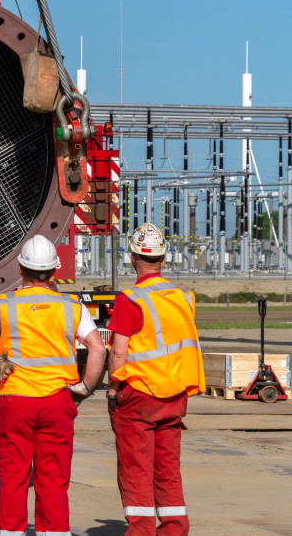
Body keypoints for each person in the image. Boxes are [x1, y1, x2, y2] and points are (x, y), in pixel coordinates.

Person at [0, 235, 106, 536]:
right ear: (54, 271)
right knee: (53, 475)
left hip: (15, 400)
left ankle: (11, 532)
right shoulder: (72, 306)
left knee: (13, 473)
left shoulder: (1, 304)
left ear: (19, 269)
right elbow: (98, 349)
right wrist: (85, 389)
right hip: (57, 402)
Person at [107, 223, 203, 536]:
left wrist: (111, 389)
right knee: (167, 467)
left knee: (136, 467)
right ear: (163, 258)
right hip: (176, 395)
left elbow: (119, 353)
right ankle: (175, 528)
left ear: (133, 257)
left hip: (140, 395)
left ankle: (142, 531)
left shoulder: (129, 299)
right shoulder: (183, 296)